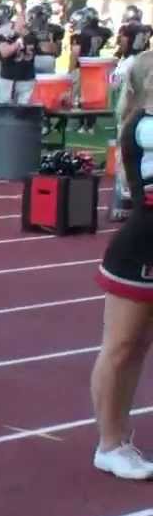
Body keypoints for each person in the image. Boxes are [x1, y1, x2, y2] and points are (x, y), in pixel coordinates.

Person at [91, 52, 153, 480]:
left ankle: (119, 438)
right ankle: (109, 444)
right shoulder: (147, 126)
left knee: (136, 348)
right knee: (120, 349)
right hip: (141, 251)